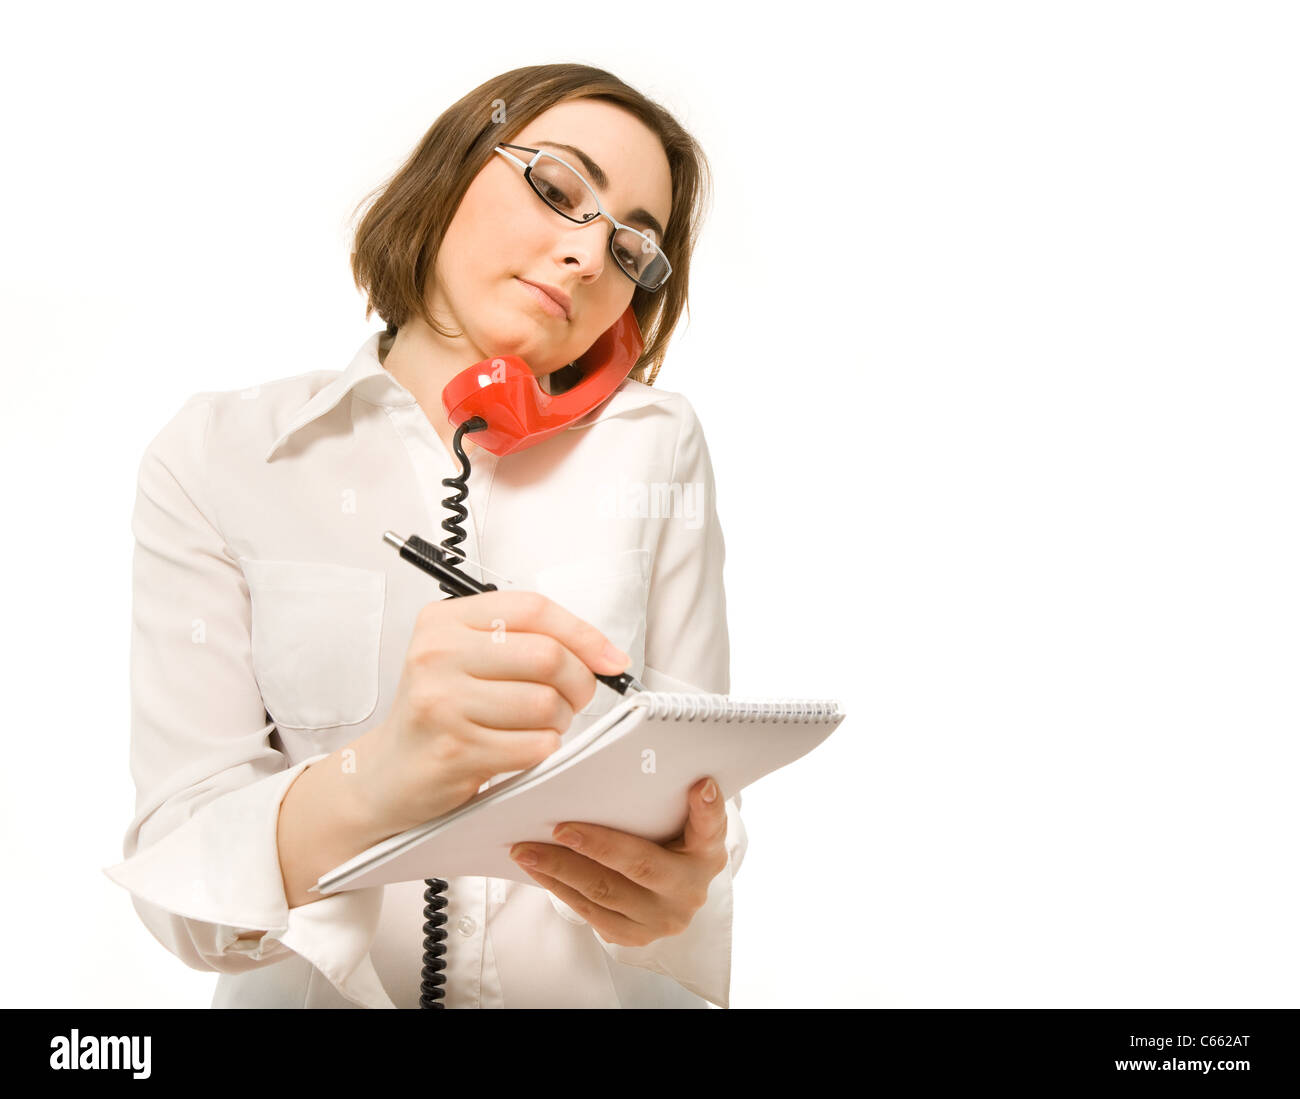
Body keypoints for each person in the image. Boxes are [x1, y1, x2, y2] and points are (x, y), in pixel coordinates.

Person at [103, 62, 746, 1009]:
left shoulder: (658, 449)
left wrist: (682, 886)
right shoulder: (219, 457)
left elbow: (699, 800)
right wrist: (379, 778)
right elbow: (182, 887)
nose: (586, 256)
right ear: (449, 171)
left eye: (632, 250)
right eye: (559, 189)